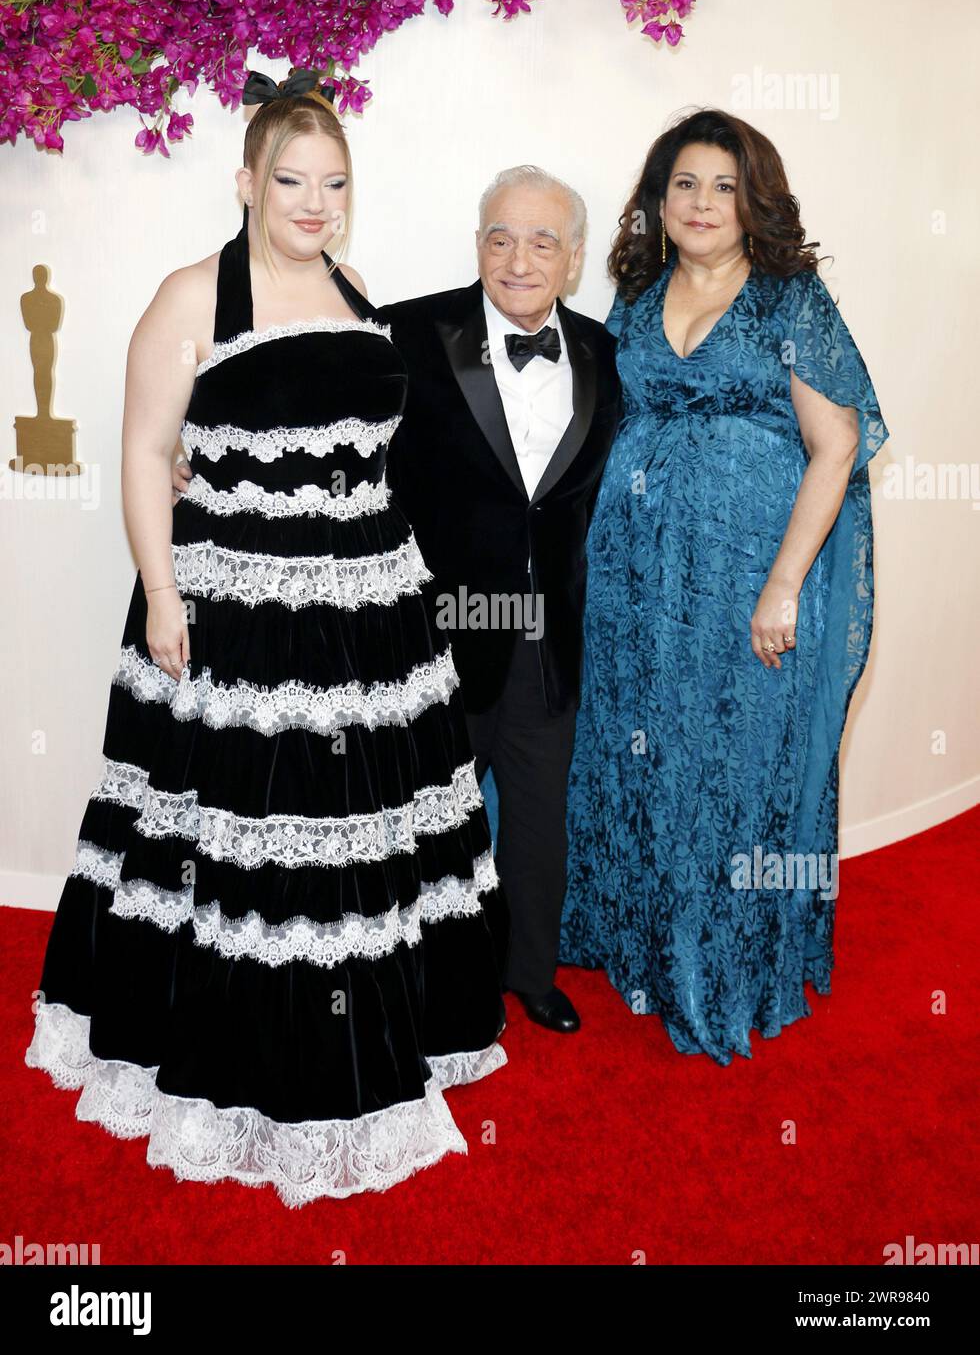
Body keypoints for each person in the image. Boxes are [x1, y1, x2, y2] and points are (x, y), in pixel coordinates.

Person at [25, 68, 509, 1206]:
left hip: (369, 612)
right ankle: (238, 1063)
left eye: (333, 183)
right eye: (291, 180)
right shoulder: (190, 296)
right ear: (244, 181)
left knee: (359, 835)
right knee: (241, 838)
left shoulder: (351, 283)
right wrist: (160, 593)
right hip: (237, 612)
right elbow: (148, 452)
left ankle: (377, 1036)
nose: (313, 202)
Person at [175, 165, 624, 1034]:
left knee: (537, 819)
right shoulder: (408, 331)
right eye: (500, 237)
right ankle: (416, 982)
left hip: (543, 633)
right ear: (478, 246)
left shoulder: (606, 352)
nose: (518, 259)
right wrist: (198, 452)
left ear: (572, 260)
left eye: (541, 242)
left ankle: (532, 974)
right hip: (422, 629)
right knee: (409, 822)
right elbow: (301, 399)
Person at [560, 108, 889, 1066]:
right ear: (658, 203)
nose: (702, 203)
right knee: (644, 760)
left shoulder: (792, 302)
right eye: (684, 184)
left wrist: (785, 586)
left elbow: (836, 450)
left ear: (754, 202)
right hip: (634, 580)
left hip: (749, 585)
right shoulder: (635, 294)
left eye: (723, 185)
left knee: (737, 773)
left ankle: (727, 967)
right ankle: (648, 953)